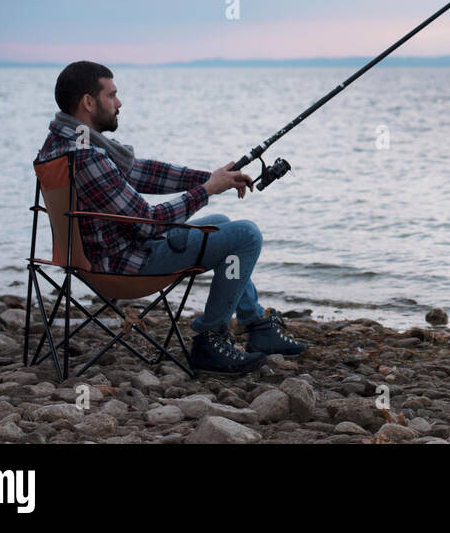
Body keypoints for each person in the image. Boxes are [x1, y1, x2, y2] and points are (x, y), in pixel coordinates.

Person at [35, 60, 306, 374]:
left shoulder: (65, 144)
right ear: (88, 101)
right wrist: (206, 190)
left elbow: (144, 172)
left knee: (220, 222)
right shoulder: (86, 155)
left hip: (99, 257)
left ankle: (256, 325)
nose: (119, 103)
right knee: (246, 235)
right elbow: (148, 221)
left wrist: (215, 178)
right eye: (112, 95)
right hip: (124, 266)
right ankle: (210, 341)